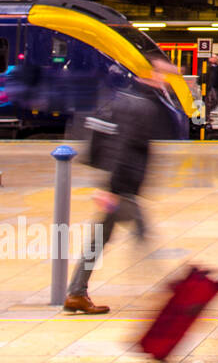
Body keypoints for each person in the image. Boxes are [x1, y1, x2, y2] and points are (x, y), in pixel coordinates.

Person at [64, 58, 179, 314]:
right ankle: (165, 295)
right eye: (163, 76)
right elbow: (122, 146)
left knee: (98, 240)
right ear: (151, 74)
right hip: (122, 187)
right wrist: (111, 188)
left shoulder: (131, 98)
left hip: (119, 184)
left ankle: (76, 293)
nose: (166, 82)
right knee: (143, 235)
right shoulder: (140, 104)